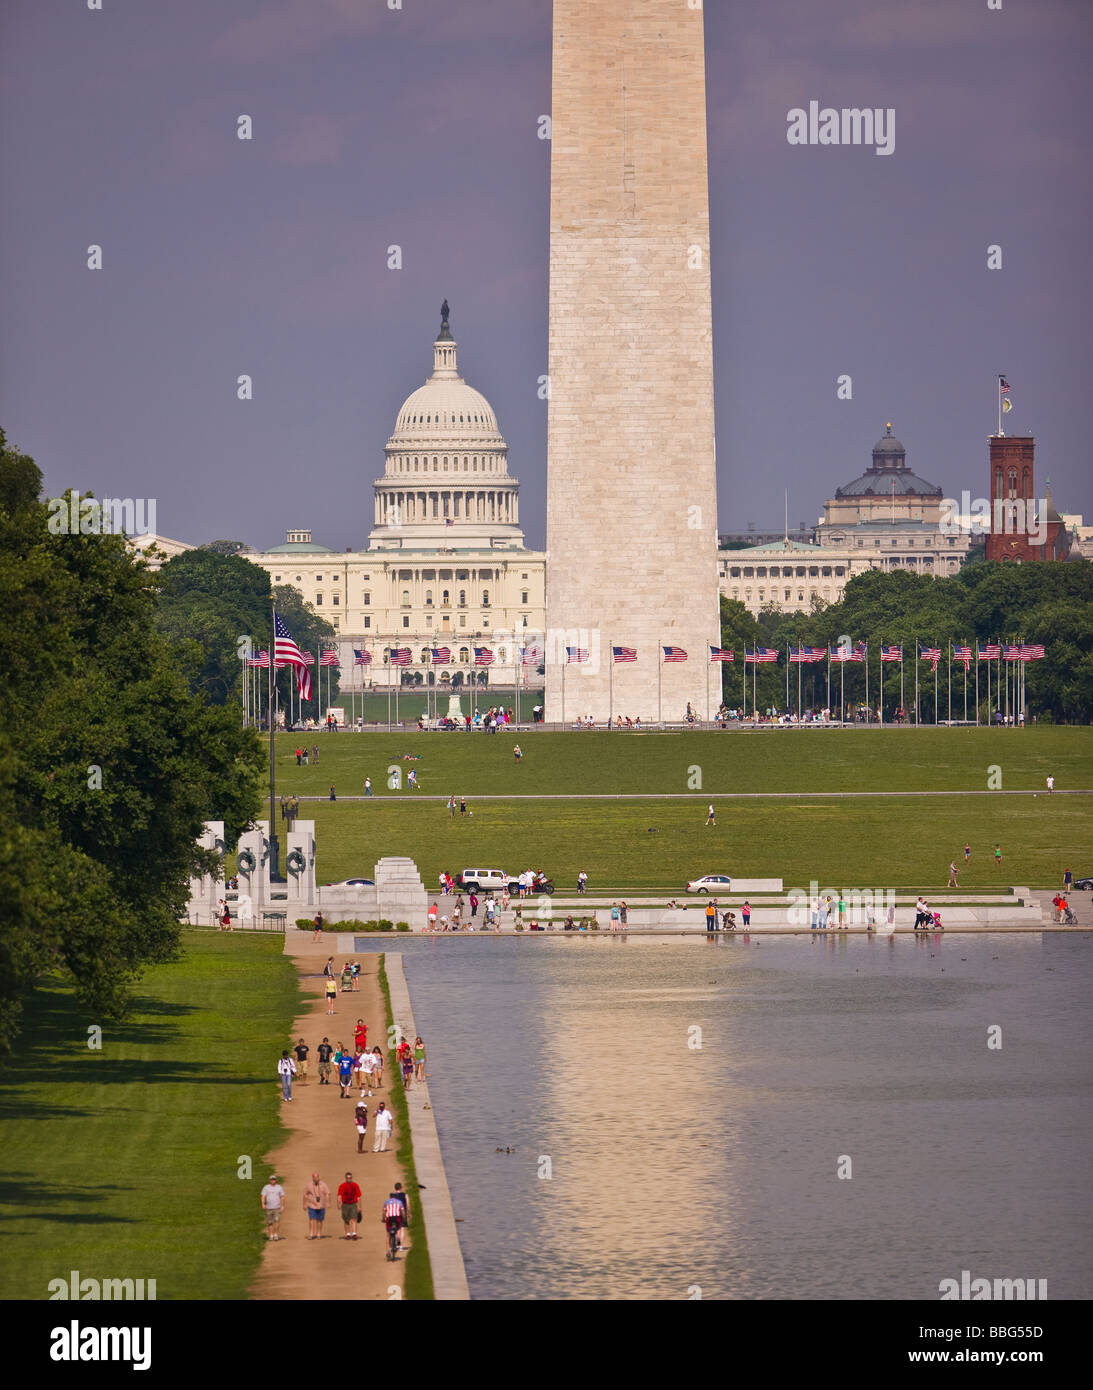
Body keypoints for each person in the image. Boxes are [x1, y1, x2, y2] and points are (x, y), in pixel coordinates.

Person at [303, 1171, 331, 1241]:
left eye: (317, 1177)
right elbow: (305, 1194)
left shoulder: (323, 1185)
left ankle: (319, 1234)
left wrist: (328, 1202)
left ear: (319, 1177)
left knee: (319, 1220)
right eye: (314, 1177)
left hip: (321, 1205)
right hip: (311, 1205)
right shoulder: (308, 1185)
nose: (316, 1178)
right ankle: (311, 1234)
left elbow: (327, 1193)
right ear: (312, 1178)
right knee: (311, 1219)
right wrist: (304, 1204)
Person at [384, 1185, 410, 1254]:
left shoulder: (387, 1202)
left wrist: (383, 1218)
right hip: (398, 1216)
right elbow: (406, 1206)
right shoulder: (403, 1196)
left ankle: (388, 1250)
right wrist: (405, 1217)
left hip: (389, 1218)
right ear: (401, 1187)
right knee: (400, 1229)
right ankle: (400, 1244)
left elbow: (384, 1211)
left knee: (388, 1234)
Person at [261, 1173, 285, 1241]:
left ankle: (276, 1234)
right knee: (270, 1222)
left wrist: (282, 1206)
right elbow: (263, 1196)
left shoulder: (279, 1187)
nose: (273, 1181)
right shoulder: (266, 1187)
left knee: (277, 1220)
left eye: (274, 1179)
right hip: (268, 1208)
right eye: (271, 1180)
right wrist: (263, 1204)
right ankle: (271, 1235)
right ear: (269, 1180)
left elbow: (282, 1197)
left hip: (277, 1207)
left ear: (276, 1180)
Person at [337, 1173, 362, 1240]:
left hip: (353, 1204)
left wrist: (359, 1206)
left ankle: (354, 1234)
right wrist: (339, 1204)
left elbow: (358, 1197)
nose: (349, 1179)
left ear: (352, 1178)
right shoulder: (342, 1186)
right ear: (346, 1178)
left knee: (354, 1219)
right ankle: (348, 1234)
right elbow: (339, 1196)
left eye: (350, 1178)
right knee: (346, 1220)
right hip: (345, 1204)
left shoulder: (355, 1185)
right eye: (348, 1178)